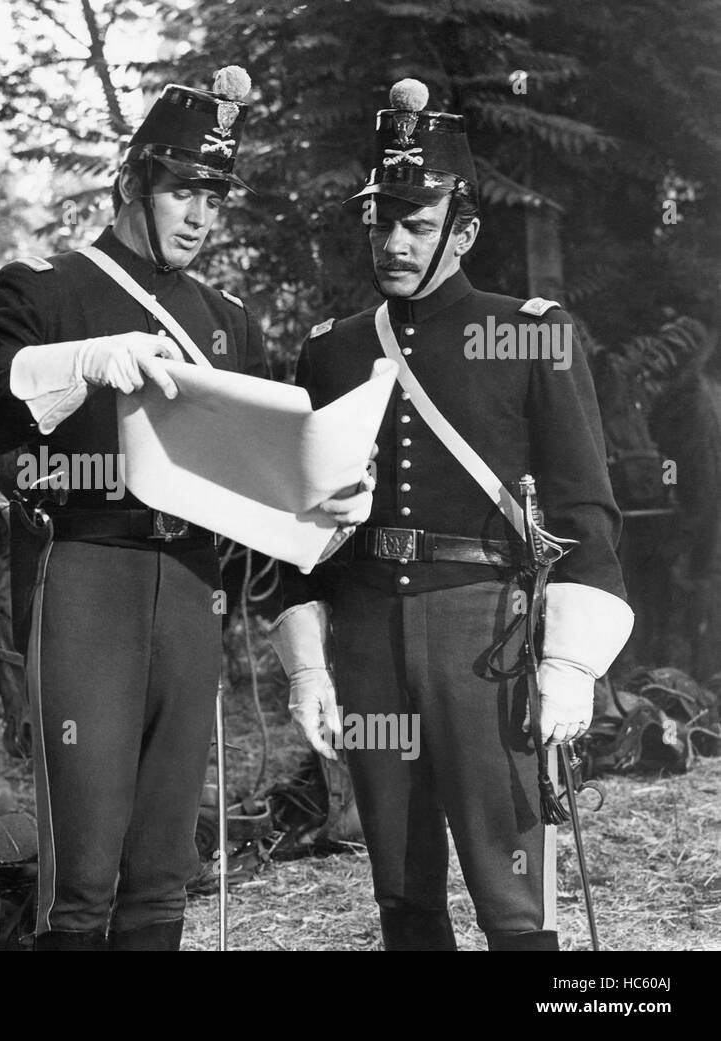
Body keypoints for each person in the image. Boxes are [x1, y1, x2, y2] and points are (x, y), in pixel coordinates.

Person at [0, 66, 371, 951]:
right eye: (184, 189)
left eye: (215, 196)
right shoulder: (46, 288)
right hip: (86, 577)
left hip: (191, 586)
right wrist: (78, 364)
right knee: (84, 879)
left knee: (163, 873)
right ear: (133, 182)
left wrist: (327, 497)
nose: (202, 215)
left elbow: (266, 480)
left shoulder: (228, 322)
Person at [269, 79, 635, 951]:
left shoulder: (530, 333)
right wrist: (307, 665)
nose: (393, 242)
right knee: (400, 891)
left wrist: (572, 662)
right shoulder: (333, 348)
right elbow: (298, 523)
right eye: (381, 221)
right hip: (365, 635)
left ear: (462, 232)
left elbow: (586, 509)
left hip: (485, 640)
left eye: (418, 223)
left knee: (516, 897)